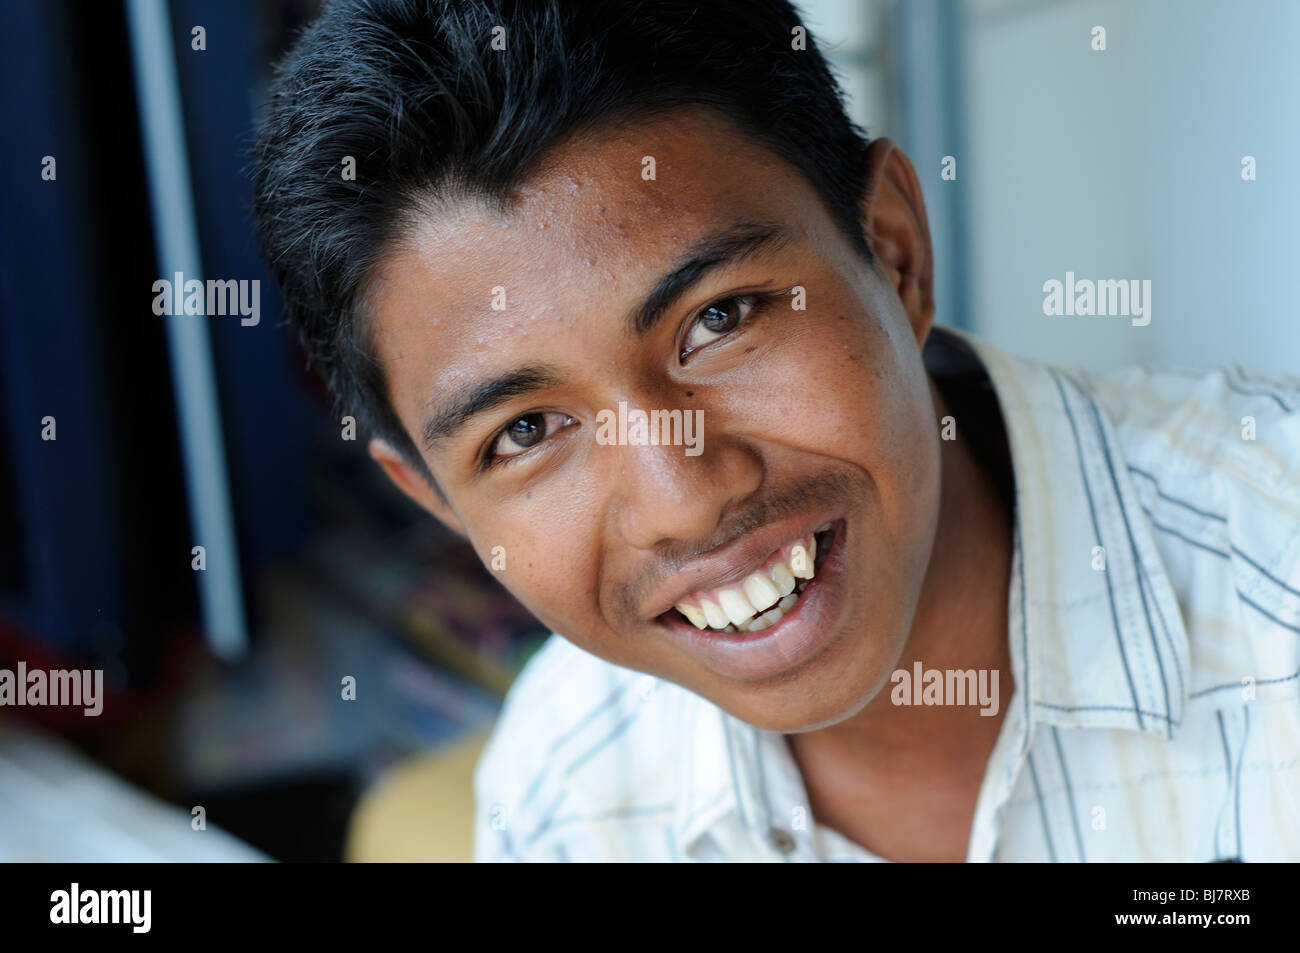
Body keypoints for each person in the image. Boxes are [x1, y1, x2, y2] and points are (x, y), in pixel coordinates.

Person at [251, 0, 1300, 861]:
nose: (684, 495)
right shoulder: (567, 807)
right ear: (434, 496)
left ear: (892, 253)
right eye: (526, 430)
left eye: (720, 319)